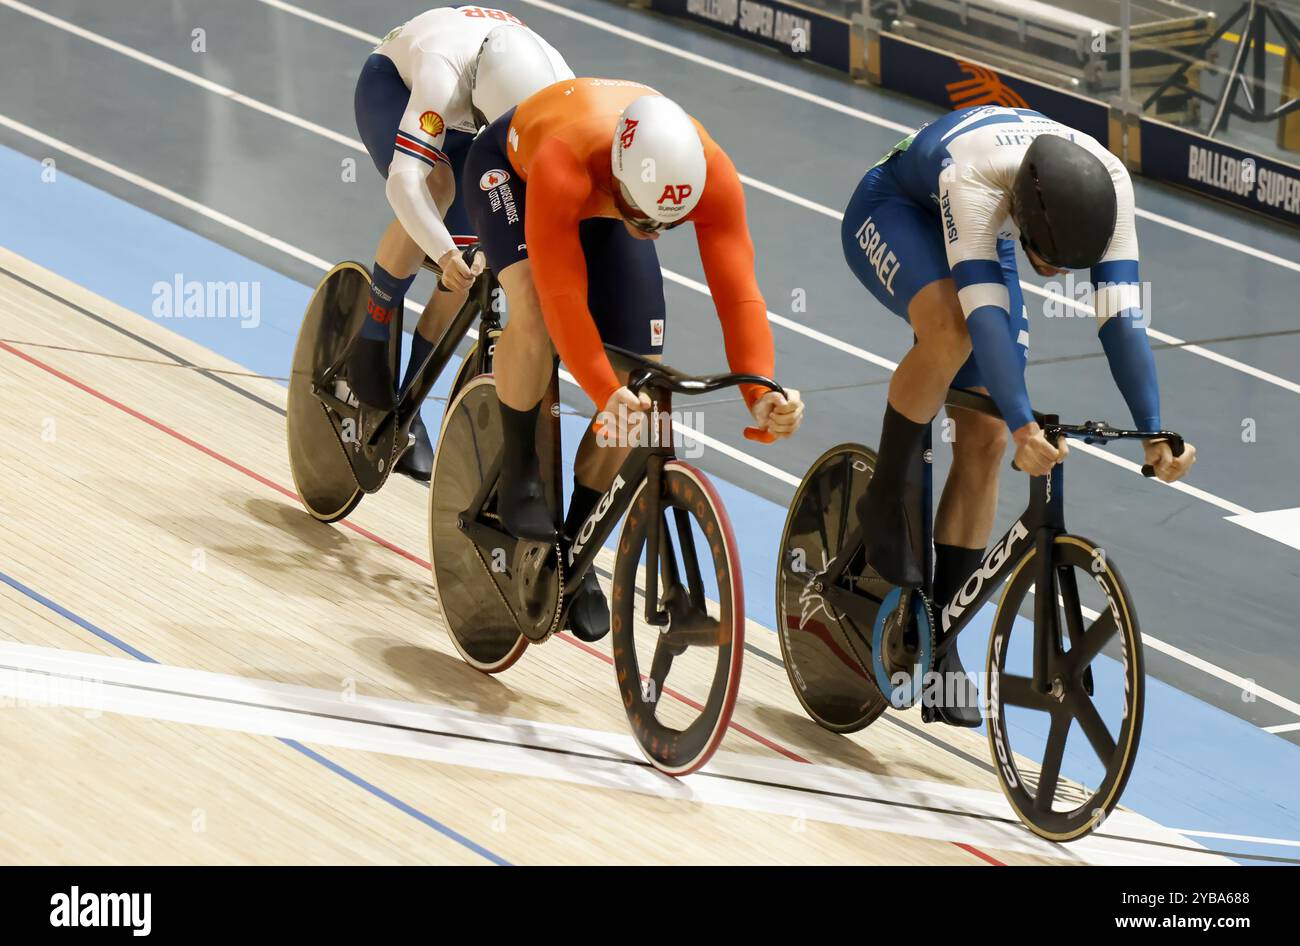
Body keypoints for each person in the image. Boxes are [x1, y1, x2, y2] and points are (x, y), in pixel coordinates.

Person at [841, 105, 1196, 727]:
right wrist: (1026, 425)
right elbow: (984, 318)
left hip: (993, 228)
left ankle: (941, 640)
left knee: (984, 437)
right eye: (1048, 259)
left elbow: (1121, 319)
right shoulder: (974, 178)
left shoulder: (1110, 185)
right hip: (899, 209)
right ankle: (884, 496)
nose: (1055, 274)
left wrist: (1153, 429)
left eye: (1068, 266)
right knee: (952, 332)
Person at [463, 78, 805, 642]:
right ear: (621, 177)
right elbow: (564, 297)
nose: (653, 234)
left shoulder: (709, 175)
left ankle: (572, 548)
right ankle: (520, 470)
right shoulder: (565, 161)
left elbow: (739, 295)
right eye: (644, 220)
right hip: (514, 174)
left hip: (606, 196)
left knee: (639, 376)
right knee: (535, 309)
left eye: (664, 225)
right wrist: (603, 391)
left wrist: (760, 390)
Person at [348, 7, 571, 480]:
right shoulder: (441, 70)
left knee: (479, 250)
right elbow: (404, 182)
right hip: (395, 89)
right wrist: (444, 253)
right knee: (437, 187)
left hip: (486, 127)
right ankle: (373, 331)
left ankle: (411, 400)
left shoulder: (558, 83)